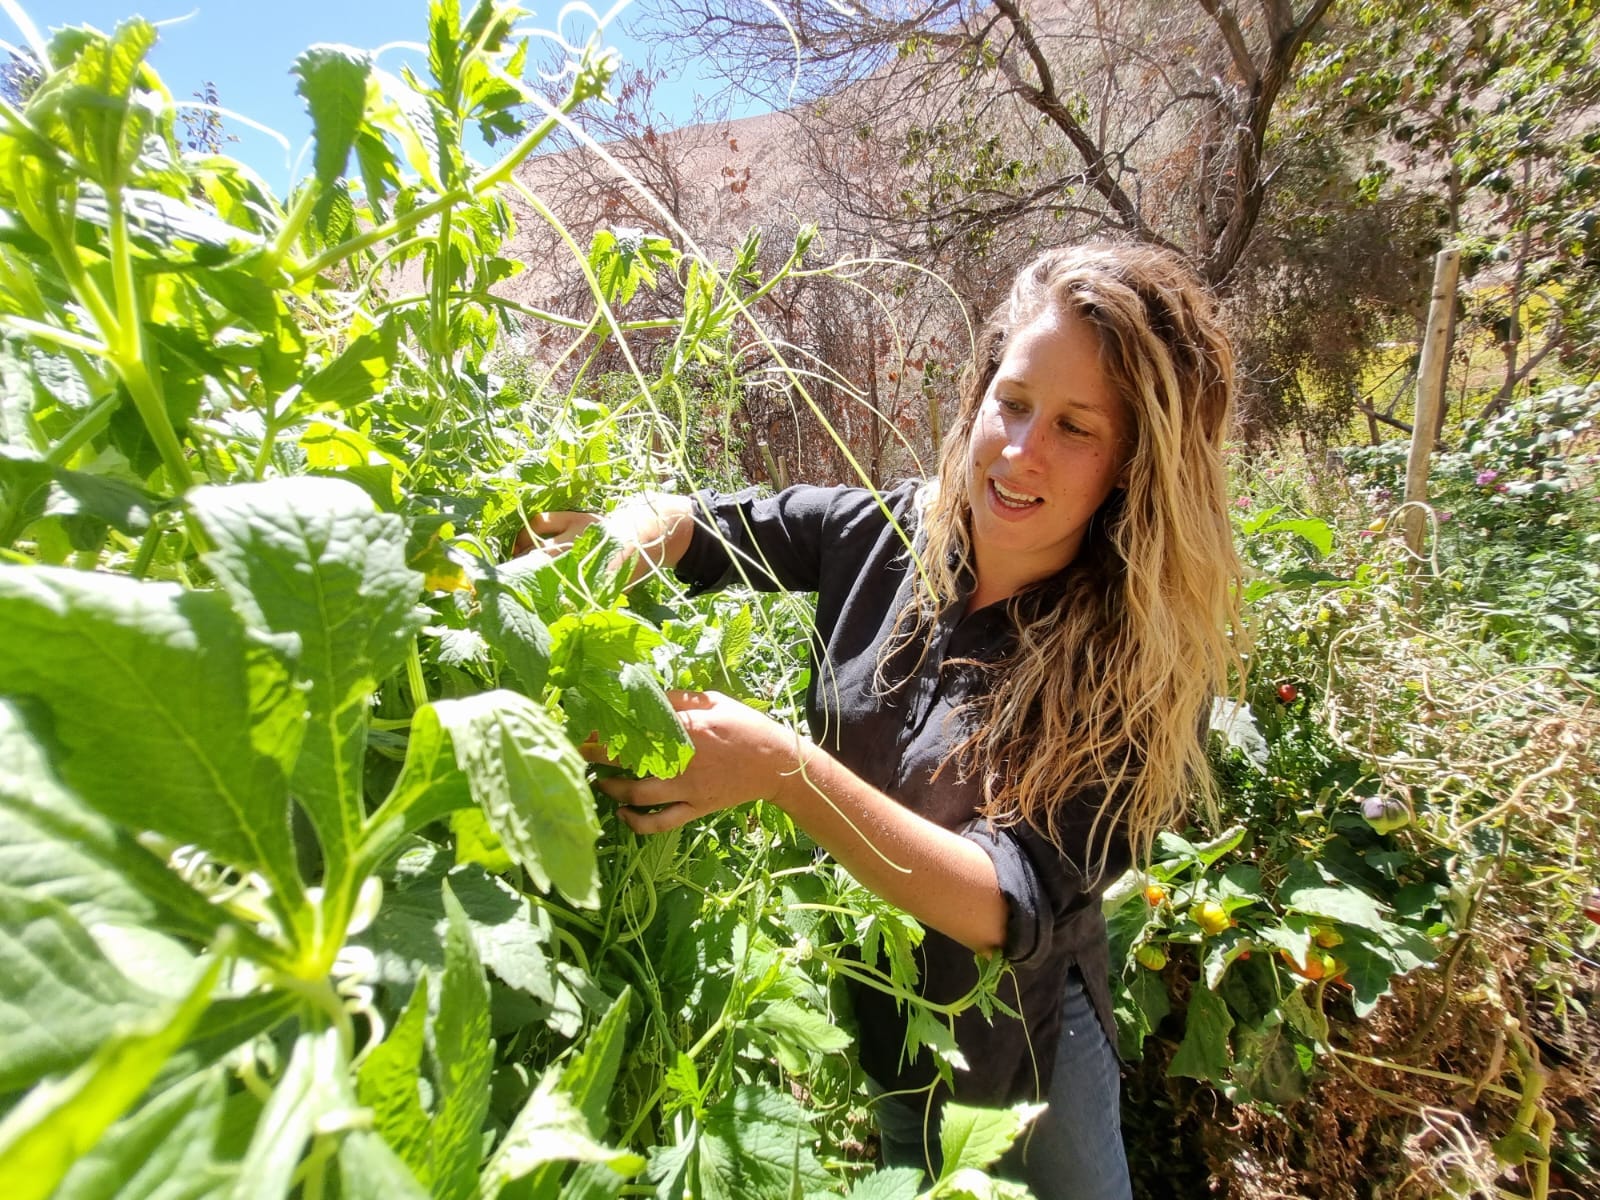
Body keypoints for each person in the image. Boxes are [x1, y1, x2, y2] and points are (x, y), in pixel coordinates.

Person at [521, 241, 1243, 1199]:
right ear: (981, 392)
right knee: (911, 1164)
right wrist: (632, 529)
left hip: (1019, 1051)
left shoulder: (1138, 662)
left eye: (1076, 427)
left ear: (1130, 464)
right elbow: (708, 532)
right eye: (1014, 402)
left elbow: (1002, 902)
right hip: (885, 1008)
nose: (1021, 450)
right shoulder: (886, 532)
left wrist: (783, 771)